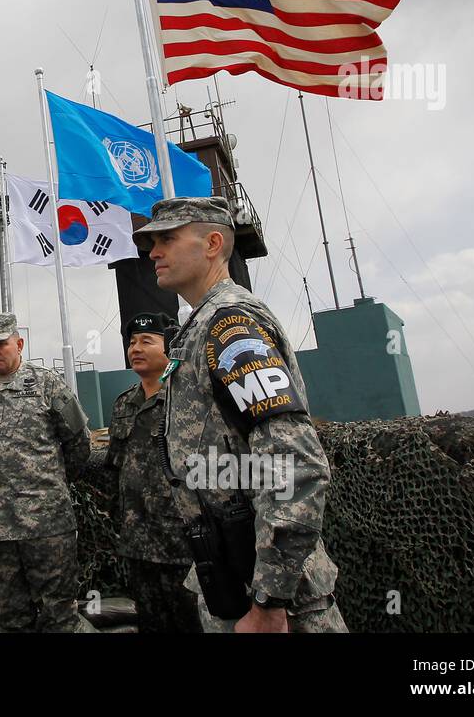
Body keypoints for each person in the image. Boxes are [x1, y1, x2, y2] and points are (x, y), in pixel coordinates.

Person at [133, 196, 346, 633]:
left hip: (275, 600)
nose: (154, 252)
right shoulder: (199, 328)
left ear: (213, 243)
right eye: (152, 242)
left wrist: (271, 600)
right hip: (231, 576)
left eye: (167, 240)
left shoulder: (231, 325)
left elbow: (295, 465)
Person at [0, 313, 90, 632]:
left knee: (58, 612)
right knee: (11, 613)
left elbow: (78, 442)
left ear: (19, 343)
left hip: (45, 523)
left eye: (0, 344)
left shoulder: (47, 384)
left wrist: (48, 485)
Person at [104, 311, 201, 633]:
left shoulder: (187, 398)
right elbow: (115, 466)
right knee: (151, 624)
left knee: (193, 623)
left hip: (185, 543)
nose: (136, 348)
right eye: (132, 342)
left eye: (147, 341)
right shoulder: (124, 403)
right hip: (138, 542)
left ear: (169, 348)